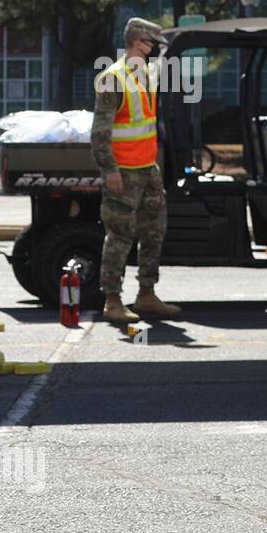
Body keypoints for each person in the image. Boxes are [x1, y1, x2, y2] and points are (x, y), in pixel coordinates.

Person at [91, 17, 181, 324]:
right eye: (153, 43)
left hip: (147, 169)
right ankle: (112, 300)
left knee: (154, 231)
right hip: (124, 172)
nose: (157, 49)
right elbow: (99, 134)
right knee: (120, 234)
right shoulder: (112, 78)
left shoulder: (145, 74)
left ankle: (146, 294)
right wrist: (109, 170)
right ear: (138, 42)